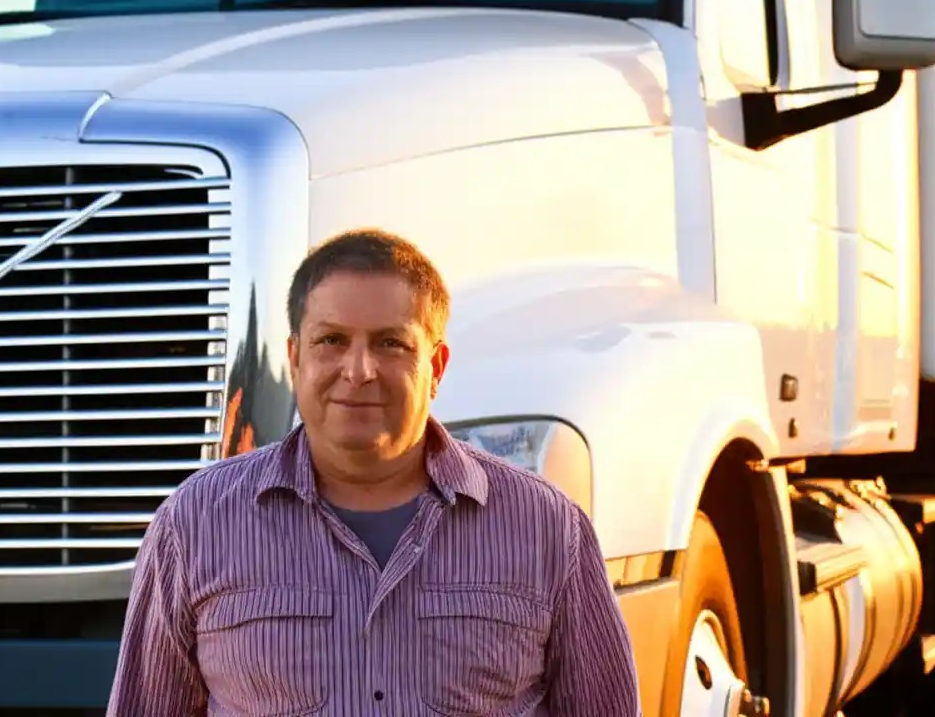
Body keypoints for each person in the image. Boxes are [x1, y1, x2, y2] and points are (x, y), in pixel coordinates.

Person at [106, 228, 641, 716]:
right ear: (295, 360)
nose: (359, 371)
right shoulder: (196, 525)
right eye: (331, 341)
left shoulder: (547, 528)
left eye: (391, 343)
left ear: (435, 367)